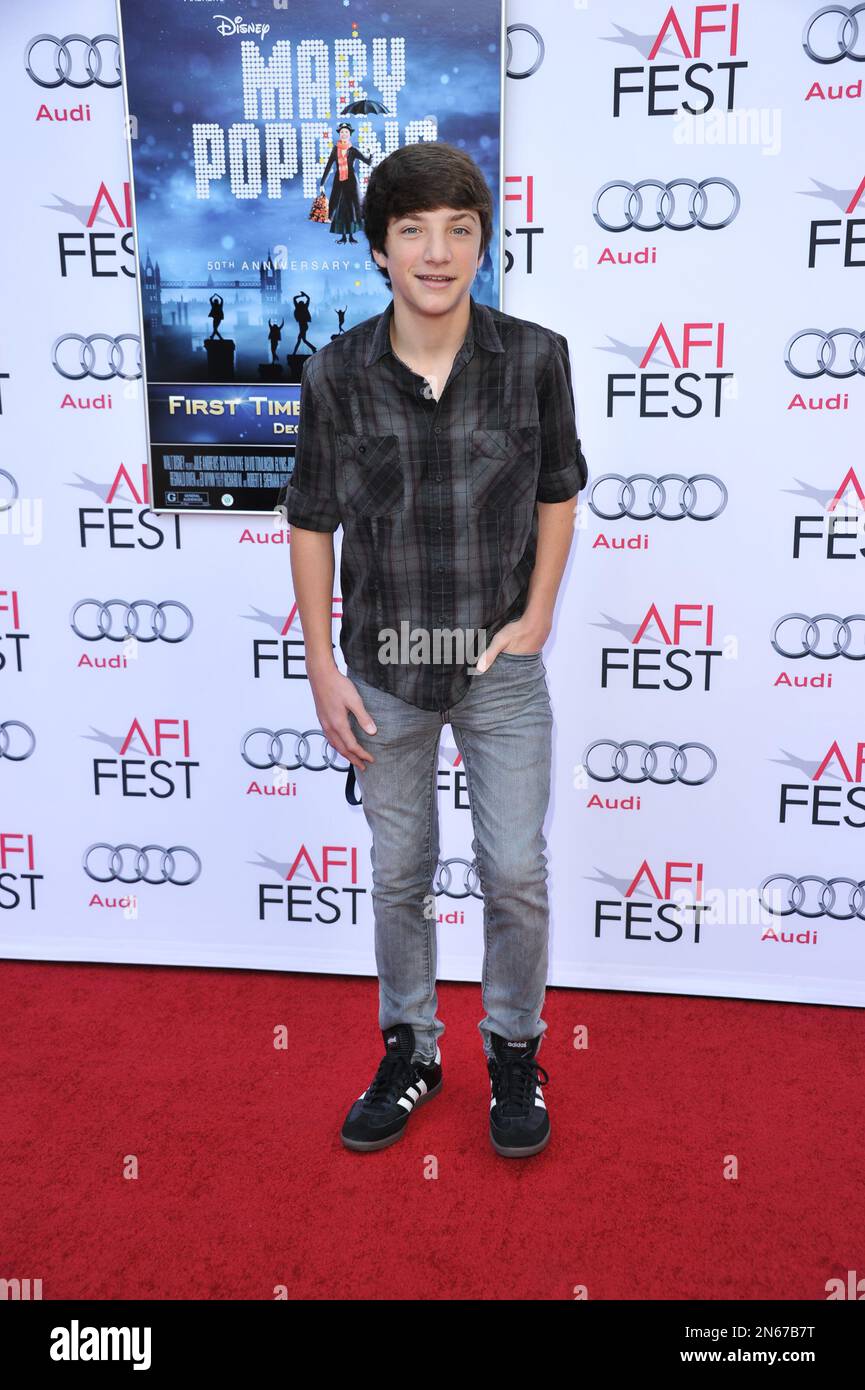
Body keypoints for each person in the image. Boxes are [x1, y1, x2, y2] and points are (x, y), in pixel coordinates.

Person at [283, 143, 587, 1158]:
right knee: (398, 873)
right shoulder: (333, 374)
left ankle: (513, 1050)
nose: (437, 250)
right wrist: (323, 666)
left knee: (513, 871)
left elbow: (558, 487)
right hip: (383, 671)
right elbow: (311, 518)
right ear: (376, 251)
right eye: (412, 229)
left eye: (459, 228)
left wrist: (537, 613)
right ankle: (411, 1046)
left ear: (482, 242)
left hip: (499, 668)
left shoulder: (537, 356)